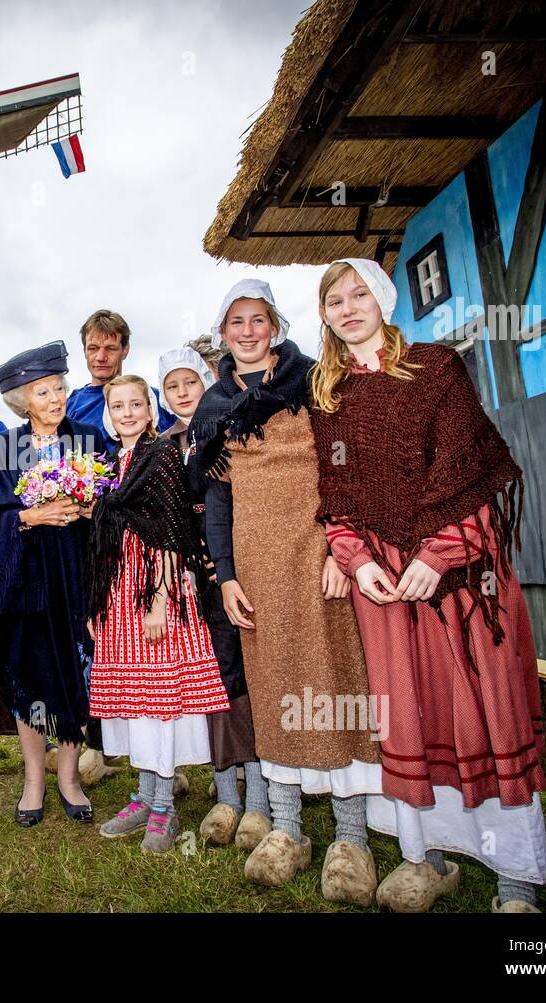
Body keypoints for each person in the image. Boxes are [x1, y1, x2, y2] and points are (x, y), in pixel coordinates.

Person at [310, 258, 546, 913]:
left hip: (462, 579)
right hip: (383, 582)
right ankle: (428, 858)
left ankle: (515, 879)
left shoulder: (435, 368)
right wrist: (357, 560)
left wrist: (441, 553)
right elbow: (337, 499)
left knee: (483, 709)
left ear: (384, 300)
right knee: (409, 714)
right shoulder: (329, 397)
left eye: (360, 293)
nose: (349, 306)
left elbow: (469, 469)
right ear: (325, 315)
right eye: (335, 300)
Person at [193, 279, 381, 906]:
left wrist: (339, 546)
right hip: (255, 563)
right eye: (235, 322)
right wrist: (226, 575)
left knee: (334, 680)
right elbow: (215, 499)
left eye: (258, 320)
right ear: (222, 332)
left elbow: (345, 466)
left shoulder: (315, 382)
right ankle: (288, 828)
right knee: (273, 683)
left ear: (274, 325)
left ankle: (352, 838)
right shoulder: (214, 405)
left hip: (316, 553)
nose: (247, 332)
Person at [87, 375, 230, 853]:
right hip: (118, 595)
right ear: (108, 413)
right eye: (117, 405)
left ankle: (164, 807)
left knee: (158, 702)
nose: (127, 412)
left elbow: (171, 532)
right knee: (133, 704)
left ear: (150, 412)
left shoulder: (160, 456)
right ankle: (144, 795)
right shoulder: (110, 464)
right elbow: (102, 542)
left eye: (136, 404)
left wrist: (160, 601)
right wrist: (98, 602)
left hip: (153, 588)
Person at [0, 342, 101, 826]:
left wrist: (93, 509)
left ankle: (68, 776)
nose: (55, 398)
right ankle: (33, 778)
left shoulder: (88, 439)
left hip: (75, 575)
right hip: (24, 579)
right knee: (30, 673)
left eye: (59, 388)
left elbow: (111, 504)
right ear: (22, 401)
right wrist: (31, 515)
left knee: (74, 671)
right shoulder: (5, 447)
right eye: (43, 391)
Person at [159, 348, 263, 849]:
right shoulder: (161, 447)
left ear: (206, 383)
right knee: (212, 678)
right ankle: (226, 793)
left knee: (248, 673)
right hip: (187, 581)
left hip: (237, 566)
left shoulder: (226, 430)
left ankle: (262, 795)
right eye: (171, 385)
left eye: (189, 381)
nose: (181, 392)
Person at [65, 309, 174, 435]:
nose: (100, 357)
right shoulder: (70, 407)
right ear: (84, 351)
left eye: (110, 348)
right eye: (93, 348)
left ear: (125, 350)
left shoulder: (157, 400)